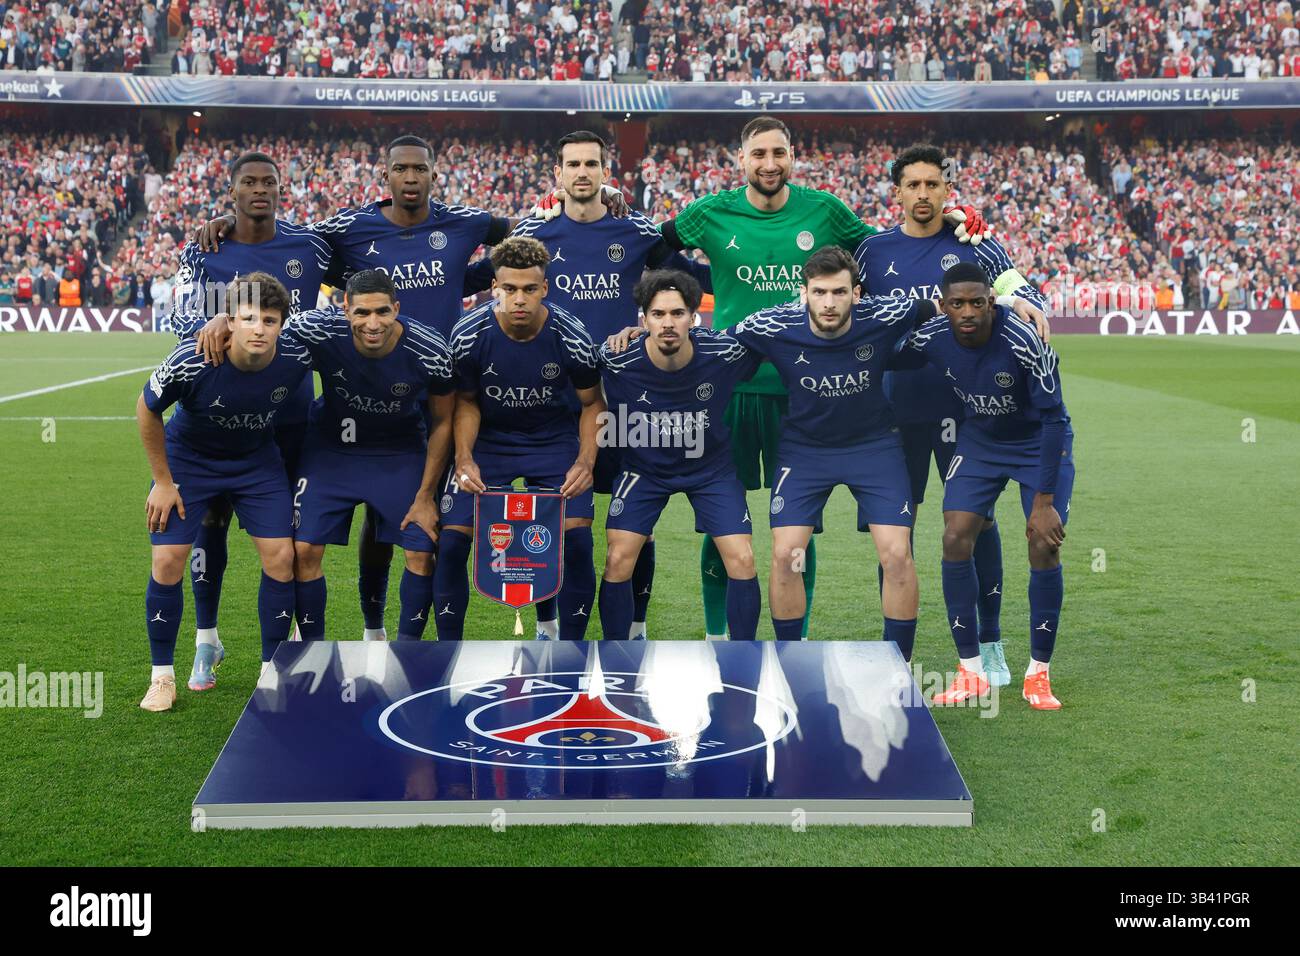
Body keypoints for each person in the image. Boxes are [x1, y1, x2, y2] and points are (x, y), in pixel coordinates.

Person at [656, 116, 987, 640]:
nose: (769, 164)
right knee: (724, 523)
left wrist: (949, 222)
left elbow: (881, 254)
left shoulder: (826, 210)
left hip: (808, 396)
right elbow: (650, 249)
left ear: (793, 157)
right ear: (741, 160)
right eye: (758, 154)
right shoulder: (709, 213)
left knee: (797, 536)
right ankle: (719, 638)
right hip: (736, 389)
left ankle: (799, 643)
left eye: (779, 153)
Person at [467, 130, 710, 638]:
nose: (582, 172)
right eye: (572, 164)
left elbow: (685, 286)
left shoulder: (637, 232)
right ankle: (549, 627)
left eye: (591, 164)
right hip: (557, 405)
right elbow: (478, 277)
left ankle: (637, 628)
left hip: (627, 402)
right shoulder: (535, 236)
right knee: (550, 520)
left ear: (605, 172)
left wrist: (648, 326)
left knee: (635, 523)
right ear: (557, 174)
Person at [855, 143, 1048, 683]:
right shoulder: (871, 251)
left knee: (978, 525)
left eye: (932, 184)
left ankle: (990, 645)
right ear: (896, 193)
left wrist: (1029, 301)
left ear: (947, 189)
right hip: (894, 411)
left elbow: (1015, 285)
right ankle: (897, 654)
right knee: (896, 532)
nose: (923, 194)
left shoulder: (975, 242)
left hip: (968, 413)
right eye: (912, 185)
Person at [196, 270, 454, 643]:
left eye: (383, 311)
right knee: (304, 548)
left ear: (397, 309)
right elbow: (266, 322)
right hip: (331, 451)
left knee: (420, 551)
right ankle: (311, 651)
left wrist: (427, 495)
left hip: (398, 453)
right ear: (344, 308)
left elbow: (444, 420)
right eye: (362, 313)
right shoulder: (318, 328)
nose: (373, 323)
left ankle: (404, 652)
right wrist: (223, 317)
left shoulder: (430, 349)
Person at [165, 151, 332, 685]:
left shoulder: (311, 245)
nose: (259, 189)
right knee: (209, 528)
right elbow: (174, 314)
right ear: (231, 190)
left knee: (290, 537)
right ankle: (206, 640)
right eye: (248, 182)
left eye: (269, 182)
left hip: (291, 416)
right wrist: (213, 319)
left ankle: (292, 646)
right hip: (221, 415)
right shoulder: (204, 247)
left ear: (282, 189)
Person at [897, 263, 1073, 710]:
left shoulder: (1024, 341)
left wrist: (1045, 502)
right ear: (943, 306)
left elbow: (1055, 419)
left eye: (978, 302)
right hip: (981, 440)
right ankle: (971, 672)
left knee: (1043, 543)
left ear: (993, 302)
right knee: (956, 535)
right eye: (957, 304)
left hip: (1038, 443)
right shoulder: (932, 336)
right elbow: (890, 352)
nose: (968, 311)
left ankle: (1038, 674)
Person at [137, 274, 310, 712]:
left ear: (282, 324)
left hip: (256, 462)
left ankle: (271, 669)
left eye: (269, 320)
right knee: (168, 560)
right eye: (248, 318)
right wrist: (162, 480)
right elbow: (147, 408)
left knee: (282, 557)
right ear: (229, 321)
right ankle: (161, 677)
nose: (259, 328)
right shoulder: (193, 359)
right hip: (190, 462)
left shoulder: (296, 354)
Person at [437, 237, 606, 641]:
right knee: (451, 542)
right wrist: (463, 459)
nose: (519, 299)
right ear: (493, 287)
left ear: (544, 288)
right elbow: (466, 402)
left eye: (529, 289)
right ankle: (449, 651)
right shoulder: (468, 333)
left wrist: (585, 462)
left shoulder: (571, 334)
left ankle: (569, 647)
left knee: (577, 538)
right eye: (509, 289)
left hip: (553, 441)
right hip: (490, 443)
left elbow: (592, 404)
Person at [596, 271, 762, 642]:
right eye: (657, 315)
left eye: (677, 313)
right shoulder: (617, 356)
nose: (668, 323)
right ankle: (619, 651)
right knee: (618, 558)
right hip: (644, 470)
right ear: (643, 319)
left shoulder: (723, 352)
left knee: (743, 558)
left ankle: (742, 656)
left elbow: (773, 341)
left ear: (694, 316)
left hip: (711, 470)